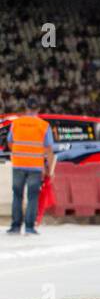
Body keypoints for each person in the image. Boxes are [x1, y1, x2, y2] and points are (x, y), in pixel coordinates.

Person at [7, 101, 55, 236]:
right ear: (38, 109)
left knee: (17, 196)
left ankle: (15, 226)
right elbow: (49, 149)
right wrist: (49, 169)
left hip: (18, 164)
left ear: (26, 109)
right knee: (32, 197)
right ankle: (29, 227)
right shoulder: (44, 125)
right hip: (35, 166)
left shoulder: (16, 123)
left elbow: (10, 142)